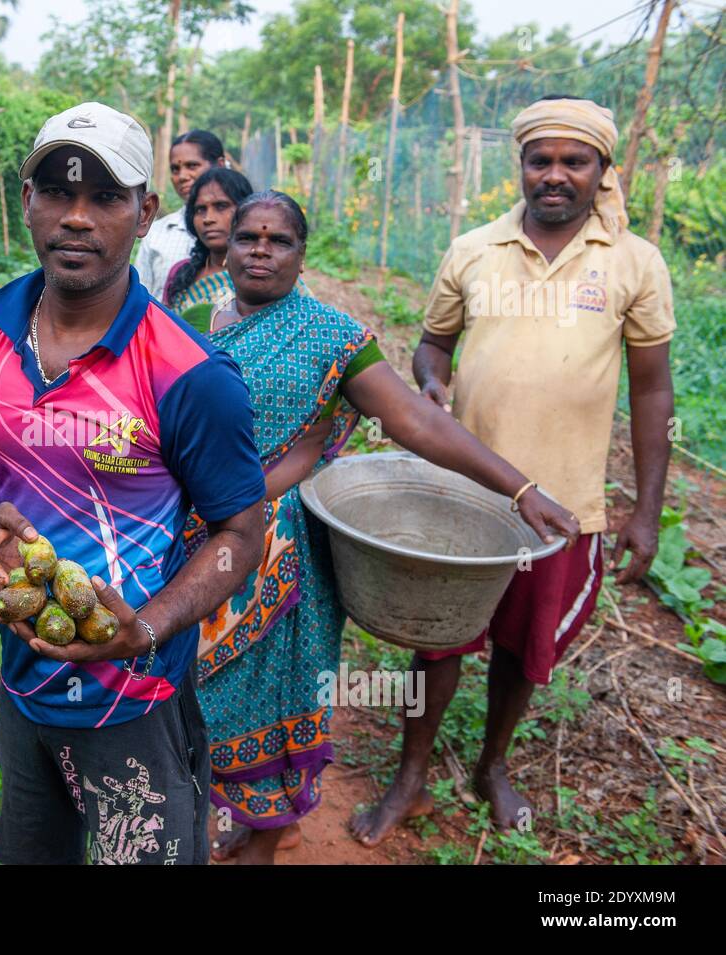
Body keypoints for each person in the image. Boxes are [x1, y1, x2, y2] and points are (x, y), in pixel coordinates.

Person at [0, 102, 269, 865]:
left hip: (133, 696)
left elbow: (244, 532)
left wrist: (145, 625)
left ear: (144, 213)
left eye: (104, 198)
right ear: (27, 201)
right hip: (24, 678)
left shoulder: (188, 374)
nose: (76, 218)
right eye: (57, 192)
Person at [188, 191, 580, 864]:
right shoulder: (192, 322)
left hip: (284, 562)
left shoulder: (333, 336)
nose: (259, 248)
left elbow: (419, 421)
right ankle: (232, 809)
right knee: (199, 690)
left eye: (278, 239)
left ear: (300, 254)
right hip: (196, 541)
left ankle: (265, 826)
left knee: (273, 702)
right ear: (227, 244)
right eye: (247, 235)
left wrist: (519, 487)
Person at [351, 96, 675, 847]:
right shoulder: (474, 249)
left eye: (574, 161)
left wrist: (647, 513)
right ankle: (411, 775)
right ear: (520, 165)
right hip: (463, 494)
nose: (555, 175)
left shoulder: (634, 261)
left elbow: (653, 388)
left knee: (521, 649)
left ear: (601, 169)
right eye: (541, 160)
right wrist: (432, 380)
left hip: (563, 504)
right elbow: (433, 344)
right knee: (435, 641)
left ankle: (492, 764)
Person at [134, 129, 225, 300]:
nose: (182, 176)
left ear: (219, 165)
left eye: (192, 166)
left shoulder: (245, 229)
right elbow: (141, 298)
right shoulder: (157, 233)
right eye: (175, 169)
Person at [163, 167, 253, 333]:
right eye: (200, 210)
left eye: (221, 206)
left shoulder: (263, 273)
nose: (208, 219)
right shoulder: (181, 273)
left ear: (246, 211)